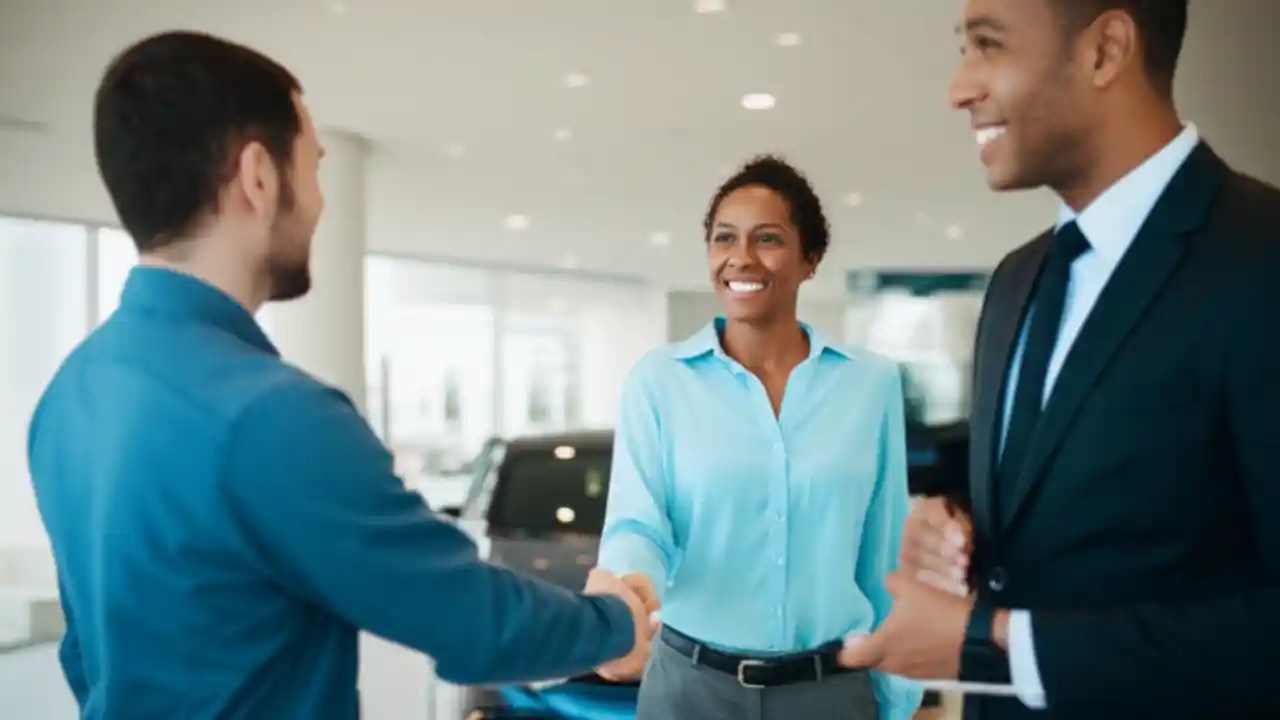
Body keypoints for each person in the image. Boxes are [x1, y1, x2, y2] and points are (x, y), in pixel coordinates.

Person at [26, 31, 653, 719]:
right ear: (260, 177)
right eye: (314, 168)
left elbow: (86, 654)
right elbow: (467, 619)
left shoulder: (69, 396)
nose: (322, 204)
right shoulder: (272, 415)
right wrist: (613, 625)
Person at [837, 0, 1280, 718]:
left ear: (1105, 50)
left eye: (987, 45)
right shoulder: (1015, 281)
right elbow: (1052, 510)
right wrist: (950, 526)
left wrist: (998, 641)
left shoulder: (1261, 258)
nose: (958, 88)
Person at [596, 156, 923, 720]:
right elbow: (637, 523)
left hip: (830, 691)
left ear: (810, 259)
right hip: (690, 690)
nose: (741, 258)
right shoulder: (660, 380)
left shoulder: (869, 383)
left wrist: (894, 698)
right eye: (724, 238)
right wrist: (628, 591)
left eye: (767, 238)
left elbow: (884, 550)